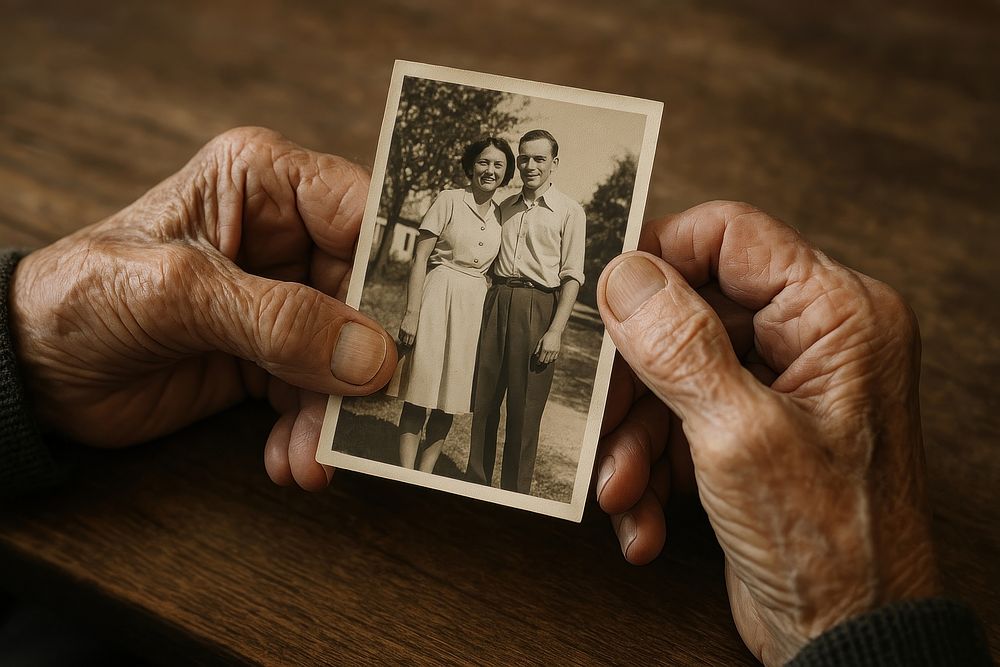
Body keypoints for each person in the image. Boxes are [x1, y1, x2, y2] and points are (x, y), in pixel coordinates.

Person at [0, 129, 991, 666]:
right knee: (424, 382)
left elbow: (564, 276)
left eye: (514, 159)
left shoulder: (553, 212)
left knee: (512, 401)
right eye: (497, 160)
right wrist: (23, 358)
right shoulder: (474, 204)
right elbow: (414, 242)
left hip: (530, 307)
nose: (506, 168)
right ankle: (443, 442)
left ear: (537, 166)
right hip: (454, 298)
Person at [465, 129, 586, 494]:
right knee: (483, 403)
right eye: (524, 158)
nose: (529, 166)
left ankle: (513, 495)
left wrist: (556, 330)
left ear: (554, 164)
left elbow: (572, 276)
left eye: (539, 159)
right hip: (497, 301)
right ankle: (475, 484)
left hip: (538, 309)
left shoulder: (570, 212)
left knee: (525, 411)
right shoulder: (503, 207)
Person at [386, 137, 514, 472]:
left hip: (474, 305)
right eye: (484, 162)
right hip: (438, 293)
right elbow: (420, 257)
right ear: (472, 164)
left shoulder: (503, 214)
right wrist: (412, 312)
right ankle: (403, 471)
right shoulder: (449, 199)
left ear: (505, 173)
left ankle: (425, 474)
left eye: (498, 165)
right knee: (420, 391)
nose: (490, 171)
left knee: (449, 400)